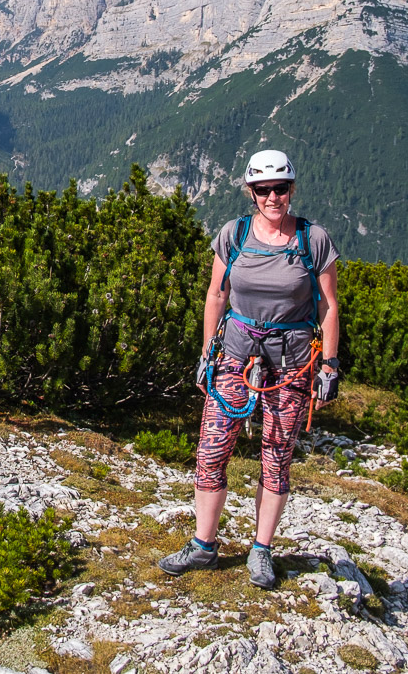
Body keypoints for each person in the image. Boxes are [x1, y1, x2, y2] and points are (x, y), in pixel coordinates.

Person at [159, 149, 341, 588]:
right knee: (210, 452)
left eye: (280, 188)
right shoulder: (233, 234)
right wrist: (208, 353)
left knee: (276, 458)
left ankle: (261, 550)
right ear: (251, 192)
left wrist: (330, 365)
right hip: (235, 356)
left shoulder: (313, 240)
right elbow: (215, 296)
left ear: (291, 190)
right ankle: (204, 545)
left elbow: (330, 307)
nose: (273, 197)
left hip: (293, 363)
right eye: (263, 190)